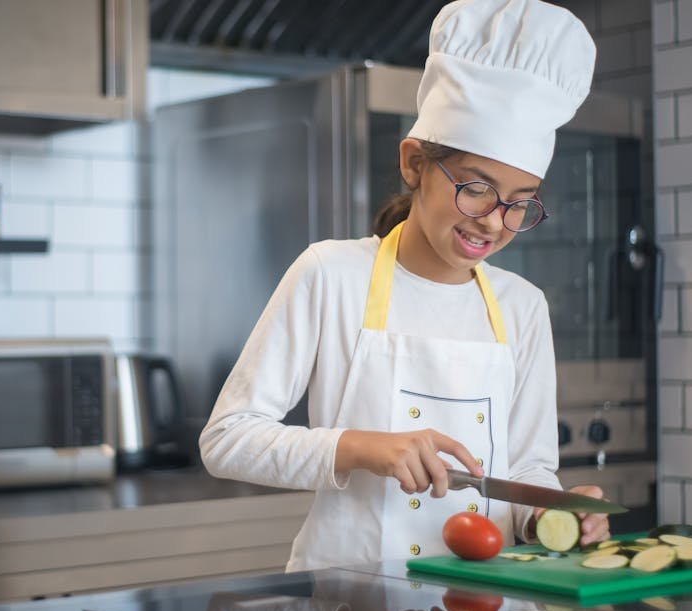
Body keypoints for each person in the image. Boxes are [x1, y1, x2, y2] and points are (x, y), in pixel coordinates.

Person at [200, 0, 611, 573]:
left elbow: (525, 472)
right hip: (347, 598)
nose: (494, 222)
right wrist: (361, 446)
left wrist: (549, 513)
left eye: (519, 204)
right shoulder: (331, 274)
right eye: (476, 188)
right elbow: (228, 439)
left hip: (479, 600)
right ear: (415, 163)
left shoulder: (522, 307)